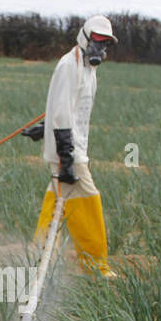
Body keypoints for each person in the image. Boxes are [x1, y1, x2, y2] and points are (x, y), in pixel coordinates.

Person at [33, 15, 118, 277]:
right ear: (85, 37)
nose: (100, 48)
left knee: (57, 198)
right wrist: (66, 157)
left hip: (72, 147)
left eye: (105, 43)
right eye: (97, 41)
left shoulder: (88, 70)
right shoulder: (70, 65)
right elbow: (61, 111)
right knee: (89, 199)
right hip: (70, 152)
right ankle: (96, 266)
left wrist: (45, 127)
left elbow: (68, 106)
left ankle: (38, 256)